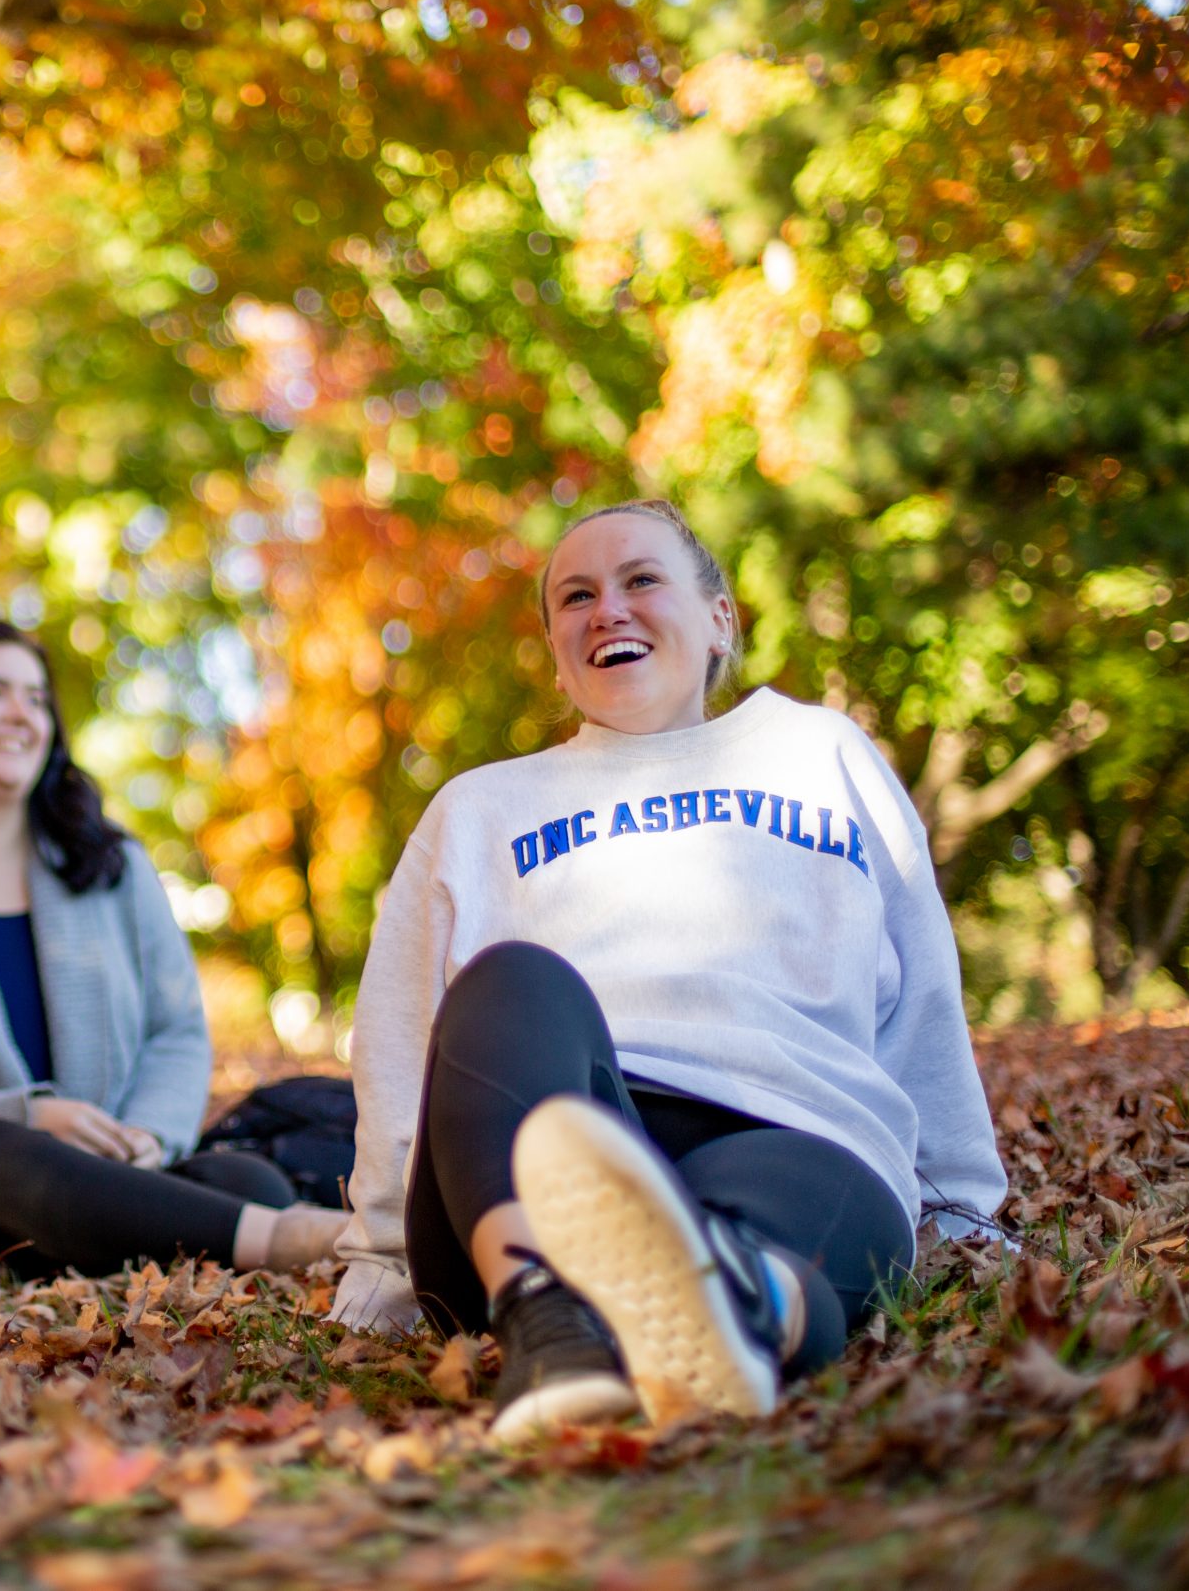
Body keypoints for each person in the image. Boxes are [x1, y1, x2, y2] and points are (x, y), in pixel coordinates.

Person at [328, 500, 1008, 1440]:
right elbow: (402, 1041)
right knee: (511, 982)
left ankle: (733, 1300)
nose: (607, 609)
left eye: (641, 580)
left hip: (792, 1124)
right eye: (576, 596)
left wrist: (963, 1207)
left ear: (720, 615)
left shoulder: (819, 753)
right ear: (557, 647)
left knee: (786, 1223)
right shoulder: (478, 808)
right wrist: (378, 1256)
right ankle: (549, 1320)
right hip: (534, 1141)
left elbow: (922, 993)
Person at [0, 620, 350, 1279]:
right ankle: (290, 1241)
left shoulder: (110, 864)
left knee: (244, 1177)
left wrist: (145, 1134)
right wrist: (30, 1114)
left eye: (36, 697)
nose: (21, 714)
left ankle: (120, 1231)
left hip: (105, 1170)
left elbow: (174, 1029)